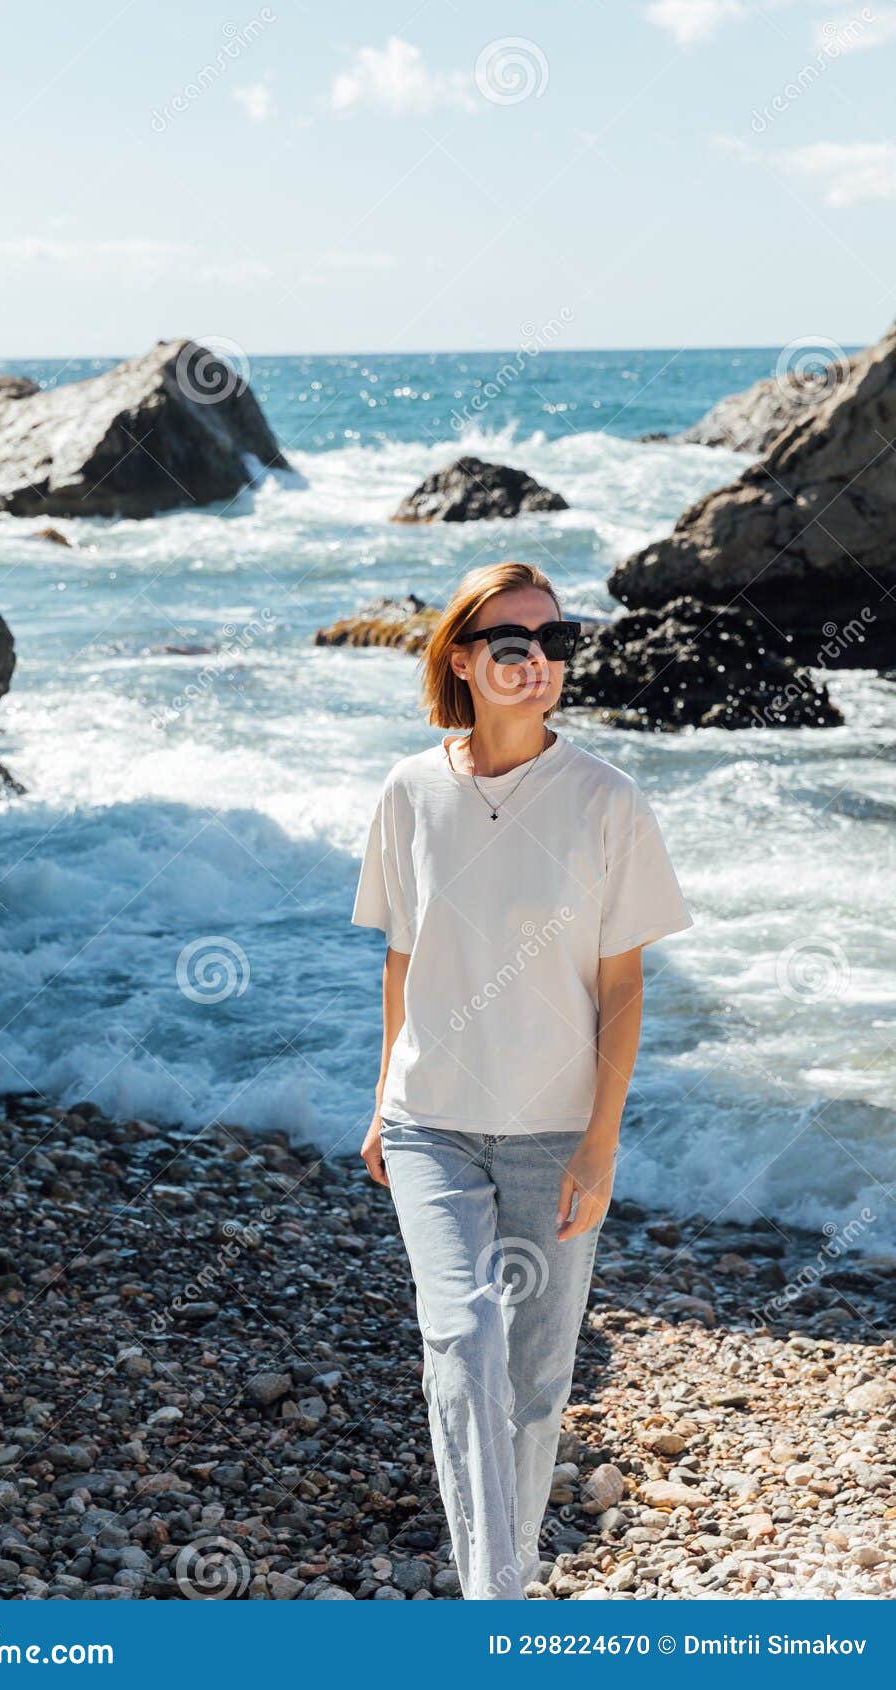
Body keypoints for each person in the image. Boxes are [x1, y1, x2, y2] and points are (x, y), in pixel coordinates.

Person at [351, 559, 693, 1600]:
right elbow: (401, 960)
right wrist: (380, 1103)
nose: (537, 662)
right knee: (464, 1334)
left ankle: (513, 1567)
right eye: (512, 644)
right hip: (430, 1125)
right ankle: (493, 1605)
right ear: (461, 658)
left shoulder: (606, 800)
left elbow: (622, 985)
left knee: (538, 1381)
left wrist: (601, 1139)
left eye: (557, 642)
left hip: (554, 1130)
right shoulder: (409, 792)